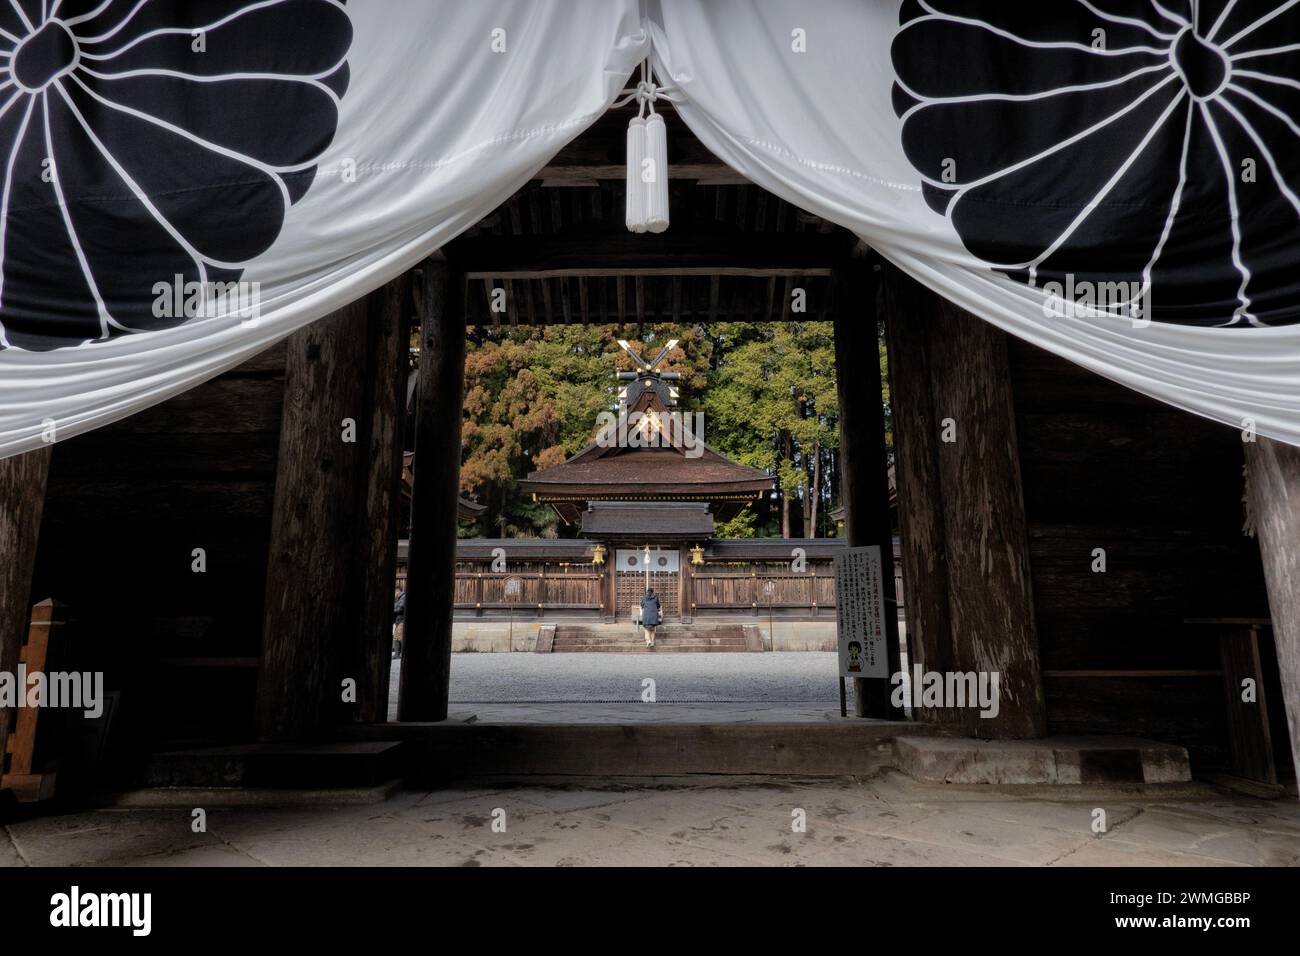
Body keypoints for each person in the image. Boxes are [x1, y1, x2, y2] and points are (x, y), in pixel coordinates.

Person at [392, 584, 407, 659]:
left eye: (394, 592)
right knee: (397, 637)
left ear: (397, 591)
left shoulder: (403, 597)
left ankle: (400, 654)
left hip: (402, 620)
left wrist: (393, 609)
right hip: (398, 620)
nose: (394, 595)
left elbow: (400, 608)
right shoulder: (399, 598)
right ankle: (397, 654)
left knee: (399, 637)